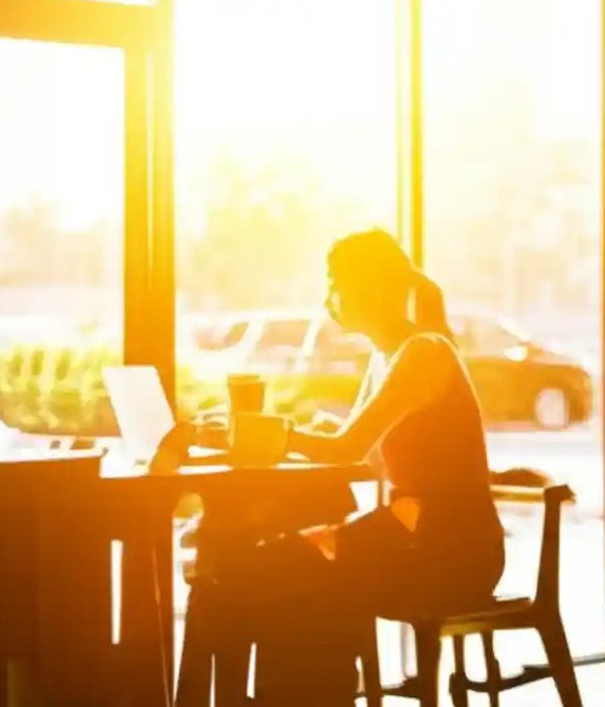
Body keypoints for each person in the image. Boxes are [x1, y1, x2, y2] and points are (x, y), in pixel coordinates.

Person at [210, 229, 505, 705]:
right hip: (412, 537)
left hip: (448, 551)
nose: (330, 296)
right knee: (283, 568)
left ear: (370, 287)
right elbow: (362, 451)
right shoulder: (387, 357)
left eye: (336, 282)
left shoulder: (423, 353)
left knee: (278, 569)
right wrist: (303, 434)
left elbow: (346, 449)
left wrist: (270, 434)